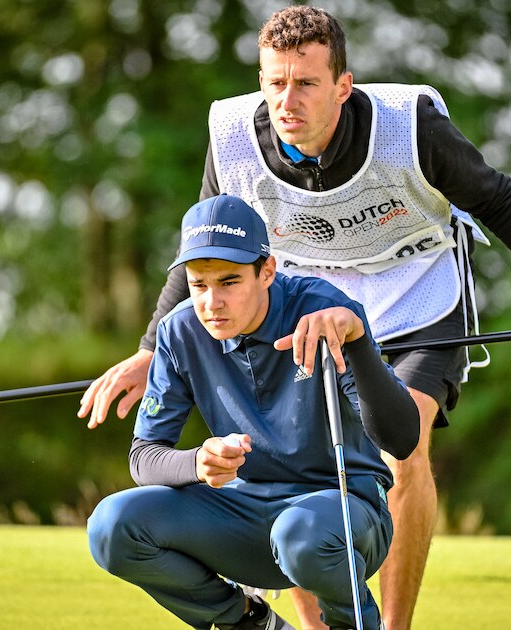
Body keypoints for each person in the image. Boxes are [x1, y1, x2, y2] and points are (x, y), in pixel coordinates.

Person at [81, 6, 511, 629]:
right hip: (301, 303)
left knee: (403, 450)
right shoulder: (235, 136)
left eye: (305, 83)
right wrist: (150, 349)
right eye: (274, 82)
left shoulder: (410, 126)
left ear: (343, 86)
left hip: (416, 296)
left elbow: (497, 199)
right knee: (293, 459)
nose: (285, 99)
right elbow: (206, 249)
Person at [87, 194, 419, 630]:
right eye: (198, 284)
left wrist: (356, 340)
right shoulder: (180, 330)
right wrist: (196, 463)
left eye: (229, 281)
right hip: (244, 513)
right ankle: (247, 622)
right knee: (112, 525)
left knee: (299, 534)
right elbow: (144, 456)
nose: (212, 303)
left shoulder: (323, 309)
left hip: (344, 510)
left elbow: (402, 438)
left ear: (267, 271)